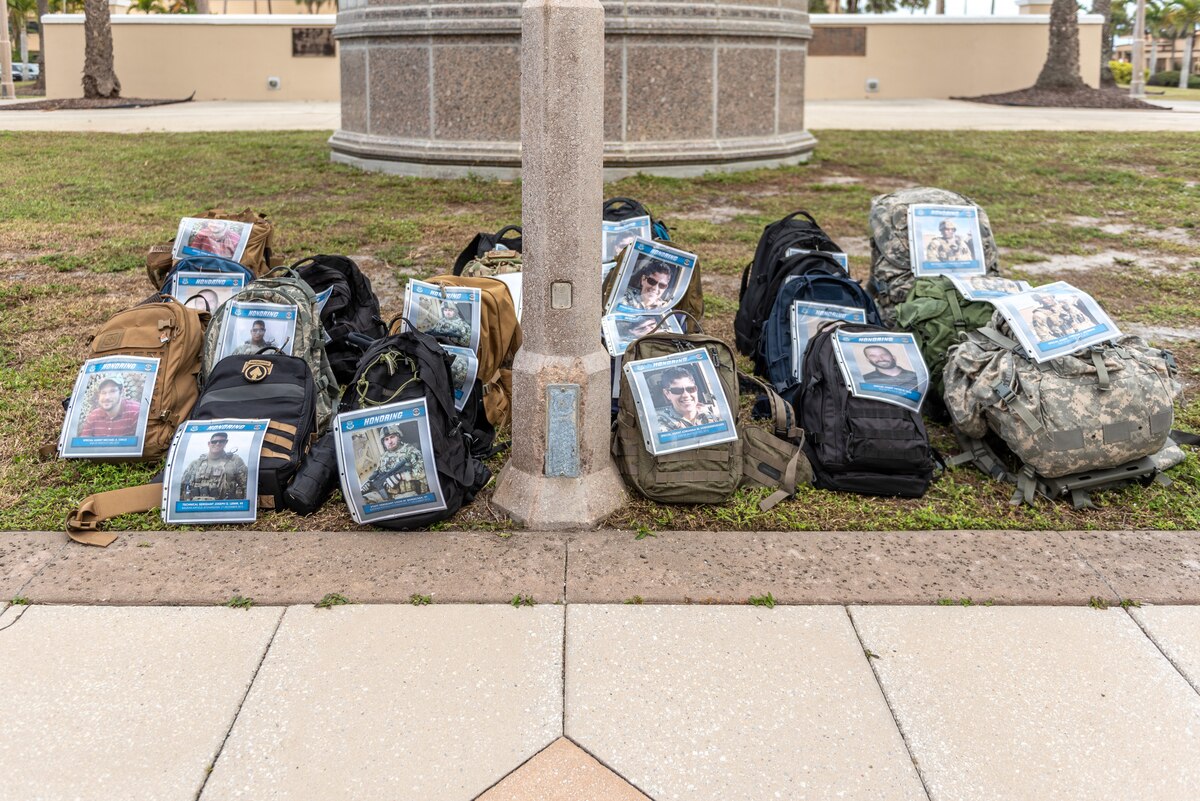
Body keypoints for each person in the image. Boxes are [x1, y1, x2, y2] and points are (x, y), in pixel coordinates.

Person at [361, 426, 428, 503]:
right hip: (388, 495)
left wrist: (401, 476)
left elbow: (423, 472)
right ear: (383, 442)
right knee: (364, 500)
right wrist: (369, 484)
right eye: (386, 439)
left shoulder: (411, 451)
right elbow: (378, 476)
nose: (390, 441)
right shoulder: (383, 457)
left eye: (392, 437)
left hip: (408, 494)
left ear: (398, 436)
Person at [180, 432, 248, 501]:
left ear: (225, 443)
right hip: (196, 508)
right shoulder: (196, 464)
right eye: (214, 442)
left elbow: (247, 487)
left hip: (225, 508)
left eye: (221, 441)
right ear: (209, 444)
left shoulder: (235, 462)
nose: (217, 444)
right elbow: (180, 486)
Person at [656, 366, 721, 432]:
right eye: (677, 390)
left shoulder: (708, 414)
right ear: (667, 393)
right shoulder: (660, 423)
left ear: (696, 389)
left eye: (690, 389)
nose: (686, 395)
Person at [78, 374, 142, 438]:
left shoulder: (135, 412)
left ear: (121, 392)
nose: (107, 397)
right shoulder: (93, 416)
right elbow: (82, 444)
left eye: (112, 391)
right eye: (103, 392)